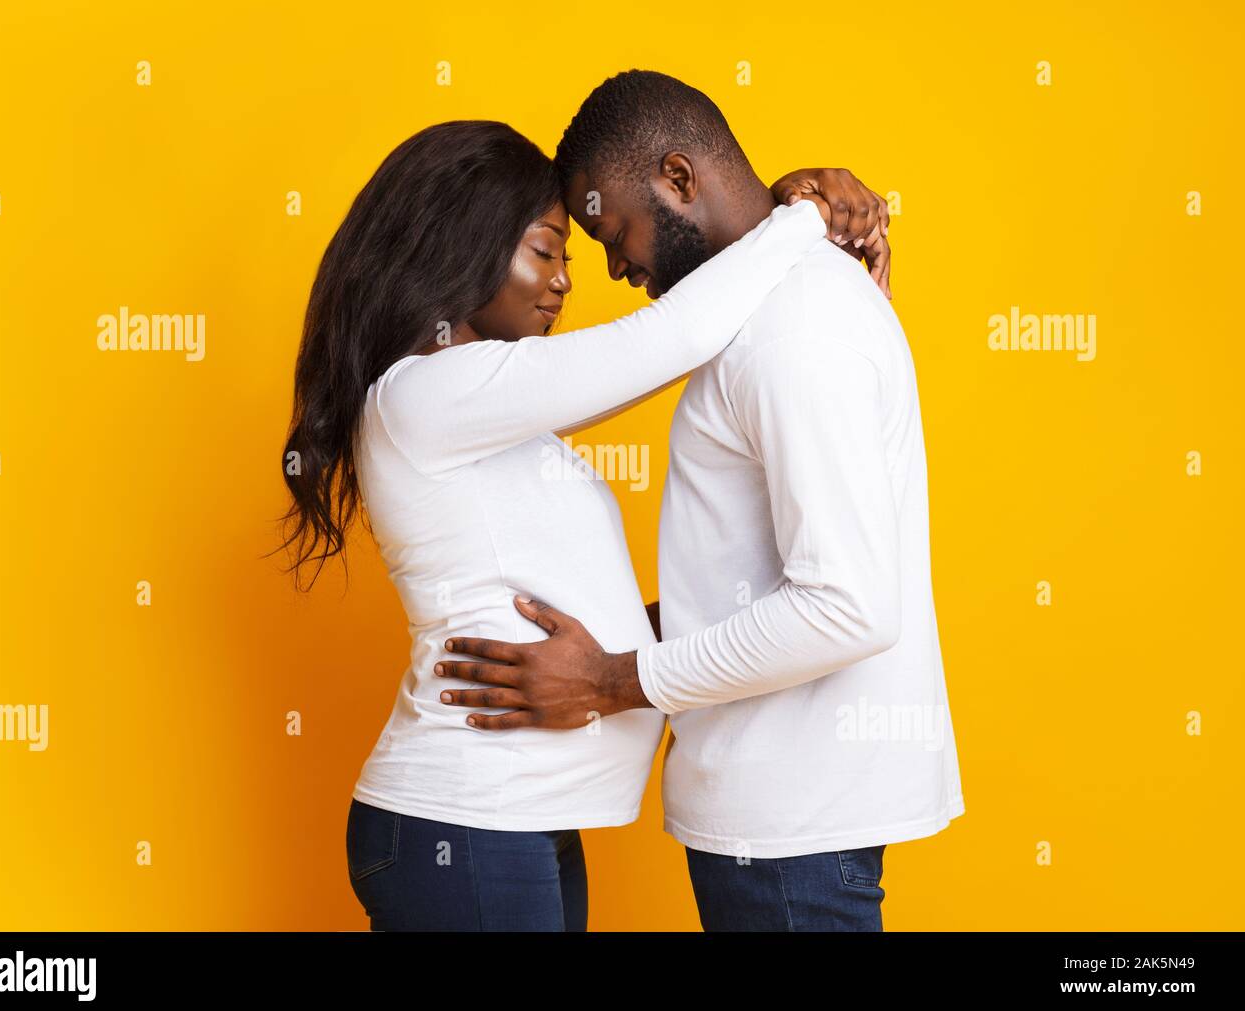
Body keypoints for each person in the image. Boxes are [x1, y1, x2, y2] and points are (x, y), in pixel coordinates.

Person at [276, 118, 891, 932]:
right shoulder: (422, 394)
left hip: (517, 824)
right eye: (546, 248)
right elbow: (670, 339)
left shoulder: (492, 412)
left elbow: (586, 605)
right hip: (466, 822)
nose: (566, 279)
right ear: (455, 246)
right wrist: (804, 215)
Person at [435, 72, 965, 932]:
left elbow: (848, 607)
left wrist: (613, 680)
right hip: (787, 822)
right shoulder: (771, 310)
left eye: (613, 231)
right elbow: (761, 581)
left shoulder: (795, 327)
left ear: (678, 178)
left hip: (793, 832)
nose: (614, 268)